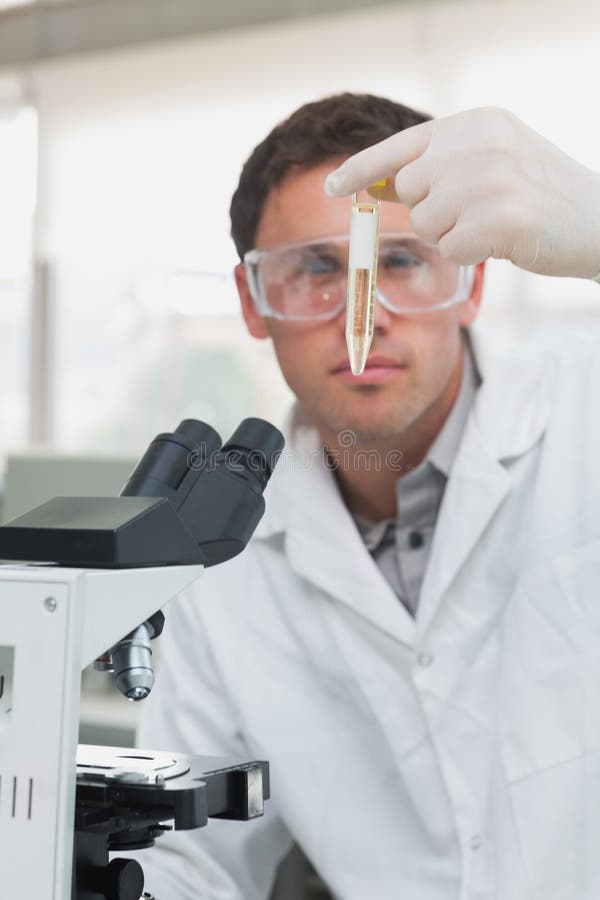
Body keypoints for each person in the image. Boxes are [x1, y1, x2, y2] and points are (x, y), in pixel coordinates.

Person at [134, 93, 600, 900]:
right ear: (253, 302)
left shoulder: (583, 412)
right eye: (318, 268)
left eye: (402, 261)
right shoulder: (219, 557)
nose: (368, 312)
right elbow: (192, 858)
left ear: (472, 284)